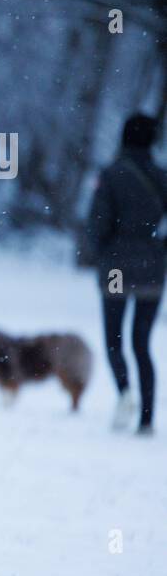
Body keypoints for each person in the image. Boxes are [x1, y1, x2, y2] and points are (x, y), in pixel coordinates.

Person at [83, 113, 167, 435]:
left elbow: (97, 225)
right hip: (152, 270)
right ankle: (146, 419)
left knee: (115, 339)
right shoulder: (161, 177)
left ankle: (125, 392)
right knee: (142, 343)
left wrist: (101, 251)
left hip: (117, 267)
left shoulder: (112, 175)